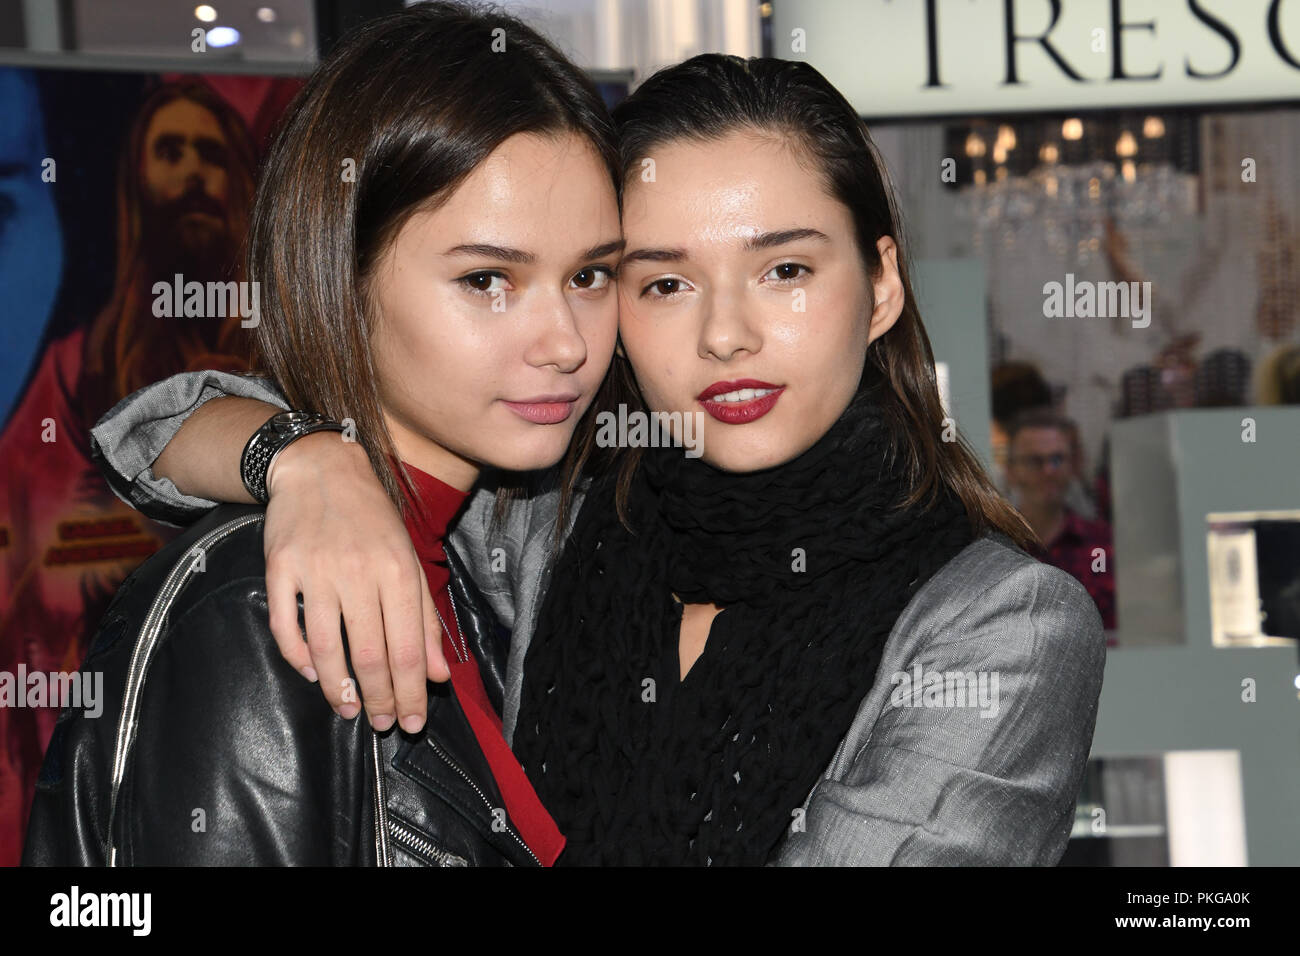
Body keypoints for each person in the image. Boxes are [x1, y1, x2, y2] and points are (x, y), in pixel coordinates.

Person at [83, 53, 1106, 865]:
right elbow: (147, 432)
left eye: (785, 268)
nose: (726, 335)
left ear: (880, 284)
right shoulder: (552, 520)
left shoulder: (1003, 623)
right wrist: (306, 460)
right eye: (661, 283)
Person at [23, 1, 624, 866]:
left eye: (591, 274)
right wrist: (302, 460)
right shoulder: (270, 612)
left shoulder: (486, 560)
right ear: (339, 277)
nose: (566, 341)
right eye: (488, 277)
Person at [0, 79, 260, 866]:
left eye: (211, 155)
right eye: (169, 151)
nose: (191, 173)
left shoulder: (290, 357)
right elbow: (26, 555)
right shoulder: (74, 369)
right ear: (132, 183)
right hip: (101, 721)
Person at [1005, 408, 1116, 635]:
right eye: (1035, 461)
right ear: (1011, 471)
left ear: (1072, 466)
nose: (1048, 471)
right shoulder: (994, 548)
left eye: (1057, 459)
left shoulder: (1102, 543)